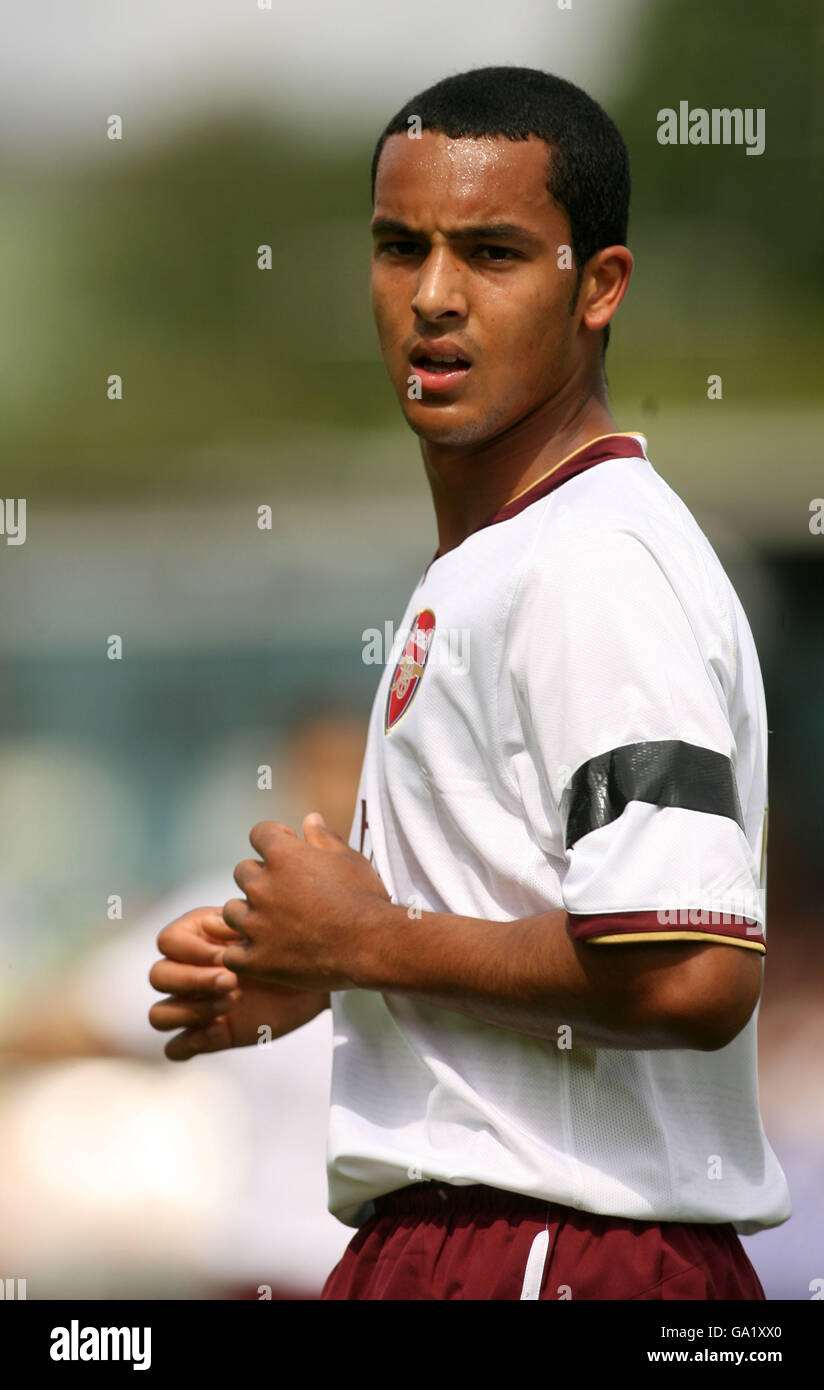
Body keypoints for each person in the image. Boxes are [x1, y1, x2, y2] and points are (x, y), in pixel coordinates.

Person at [149, 66, 791, 1301]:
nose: (432, 297)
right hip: (468, 1245)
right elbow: (545, 931)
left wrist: (371, 938)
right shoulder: (503, 558)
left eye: (492, 252)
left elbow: (692, 972)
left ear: (598, 285)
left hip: (558, 1254)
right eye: (400, 248)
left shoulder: (595, 560)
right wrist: (324, 968)